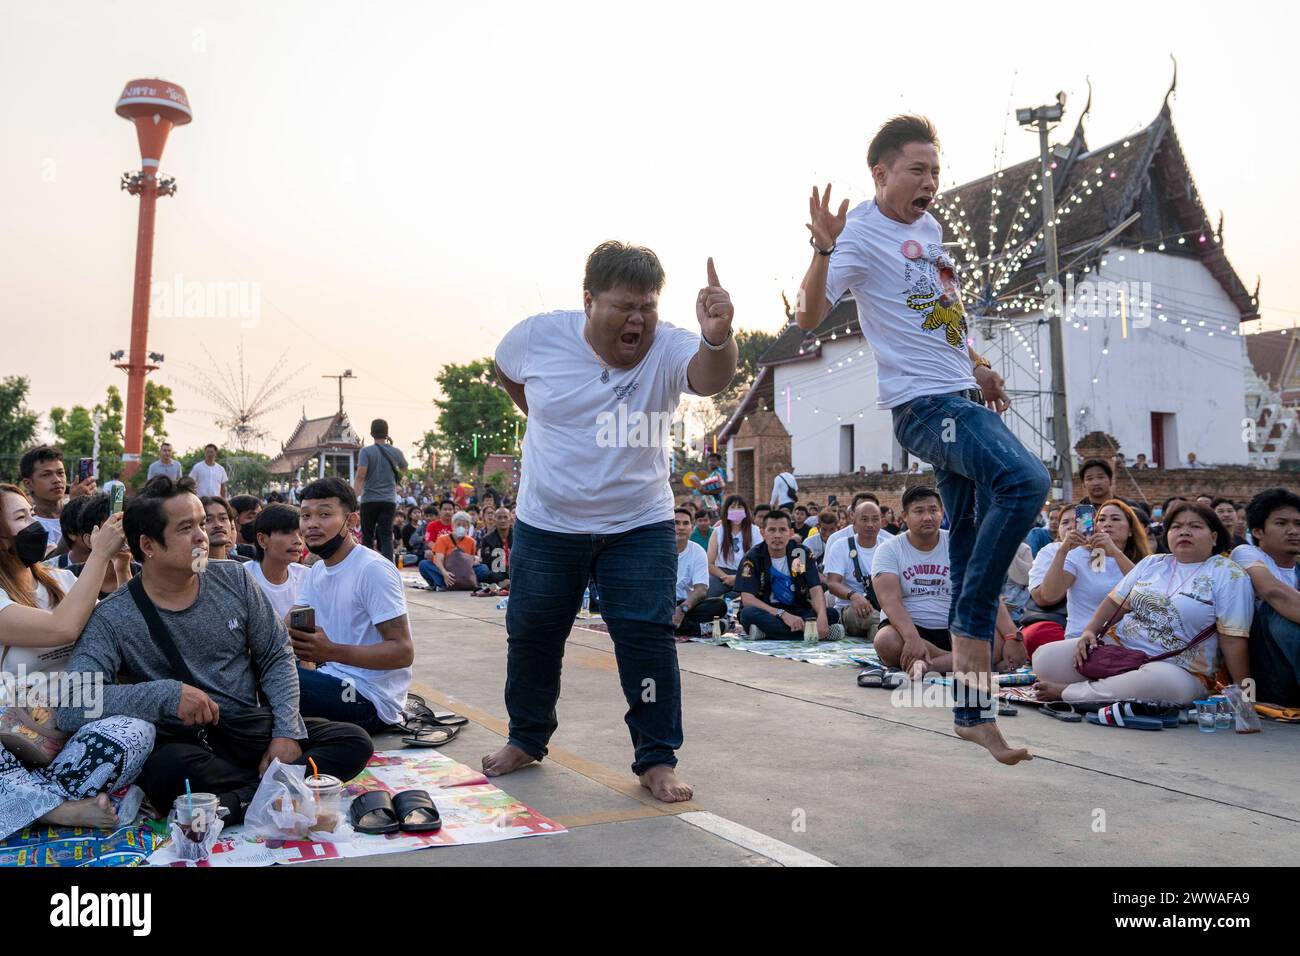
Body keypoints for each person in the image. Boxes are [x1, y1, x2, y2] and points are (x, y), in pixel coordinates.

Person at [796, 114, 1048, 763]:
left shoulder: (931, 230)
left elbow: (945, 315)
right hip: (922, 408)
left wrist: (981, 365)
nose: (931, 182)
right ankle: (974, 618)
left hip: (960, 394)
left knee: (965, 539)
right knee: (1026, 480)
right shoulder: (856, 234)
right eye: (918, 170)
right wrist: (822, 251)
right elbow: (807, 316)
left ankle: (971, 714)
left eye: (936, 171)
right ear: (881, 174)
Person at [486, 241, 739, 803]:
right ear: (588, 302)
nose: (637, 320)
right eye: (624, 307)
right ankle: (526, 738)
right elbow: (505, 371)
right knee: (532, 633)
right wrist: (545, 414)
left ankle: (656, 759)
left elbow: (711, 376)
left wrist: (718, 335)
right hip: (548, 523)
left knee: (646, 639)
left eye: (647, 307)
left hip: (638, 523)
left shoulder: (670, 345)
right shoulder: (536, 338)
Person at [56, 476, 373, 825]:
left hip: (252, 730)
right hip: (190, 746)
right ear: (148, 544)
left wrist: (286, 731)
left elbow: (276, 654)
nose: (201, 537)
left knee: (352, 741)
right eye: (185, 528)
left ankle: (238, 802)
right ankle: (274, 792)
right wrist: (165, 695)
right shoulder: (113, 616)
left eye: (202, 524)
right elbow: (73, 703)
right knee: (166, 771)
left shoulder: (233, 579)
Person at [0, 484, 155, 837]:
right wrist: (98, 556)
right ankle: (58, 809)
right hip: (9, 734)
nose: (35, 524)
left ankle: (32, 802)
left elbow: (119, 628)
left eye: (33, 514)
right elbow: (62, 628)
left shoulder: (62, 578)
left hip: (69, 726)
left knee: (137, 731)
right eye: (22, 517)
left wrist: (121, 566)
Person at [1033, 503, 1252, 706]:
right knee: (1045, 659)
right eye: (1177, 527)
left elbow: (1233, 641)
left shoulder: (1228, 574)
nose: (1184, 532)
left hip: (1177, 669)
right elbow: (1113, 601)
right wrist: (1089, 631)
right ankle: (1110, 689)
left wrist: (1246, 696)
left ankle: (1068, 693)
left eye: (1195, 526)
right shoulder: (1154, 563)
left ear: (1214, 537)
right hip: (1120, 651)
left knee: (1158, 681)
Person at [290, 478, 415, 734]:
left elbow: (402, 652)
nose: (312, 524)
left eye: (324, 514)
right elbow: (293, 624)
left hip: (365, 698)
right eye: (305, 515)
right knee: (256, 670)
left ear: (351, 521)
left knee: (270, 682)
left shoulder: (371, 570)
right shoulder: (317, 572)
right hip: (330, 679)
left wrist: (331, 651)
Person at [1025, 500, 1150, 661]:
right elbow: (1049, 595)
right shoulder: (1080, 555)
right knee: (1043, 659)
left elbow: (1146, 595)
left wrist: (1115, 552)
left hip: (1128, 644)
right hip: (1081, 642)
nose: (1107, 524)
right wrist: (1064, 550)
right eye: (1101, 519)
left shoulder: (1145, 562)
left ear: (1131, 530)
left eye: (1115, 519)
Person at [870, 487, 955, 677]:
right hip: (908, 628)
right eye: (919, 511)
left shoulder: (956, 543)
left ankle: (930, 665)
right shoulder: (889, 549)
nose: (927, 517)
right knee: (885, 641)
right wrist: (912, 638)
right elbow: (890, 601)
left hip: (954, 628)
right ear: (905, 516)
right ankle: (959, 661)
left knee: (995, 642)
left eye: (933, 510)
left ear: (942, 512)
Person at [1232, 489, 1300, 706]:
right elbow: (1273, 592)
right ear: (1258, 532)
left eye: (1299, 524)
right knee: (1279, 614)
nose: (1293, 531)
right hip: (1266, 669)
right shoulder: (1247, 554)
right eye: (1281, 524)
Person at [736, 510, 844, 640]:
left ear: (791, 533)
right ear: (763, 533)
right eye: (771, 530)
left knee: (830, 614)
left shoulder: (799, 553)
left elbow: (815, 588)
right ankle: (810, 632)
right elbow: (747, 599)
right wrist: (783, 615)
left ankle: (766, 633)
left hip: (797, 610)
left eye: (782, 530)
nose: (777, 535)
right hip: (769, 611)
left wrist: (821, 616)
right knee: (747, 614)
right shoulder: (754, 557)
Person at [823, 499, 885, 640]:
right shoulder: (841, 545)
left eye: (875, 519)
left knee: (878, 626)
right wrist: (854, 596)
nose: (870, 524)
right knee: (878, 620)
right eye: (864, 519)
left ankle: (882, 641)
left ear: (881, 521)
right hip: (850, 609)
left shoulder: (888, 546)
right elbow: (832, 583)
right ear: (854, 521)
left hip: (883, 608)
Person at [245, 502, 310, 622]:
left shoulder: (308, 576)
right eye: (287, 532)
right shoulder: (243, 577)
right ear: (262, 540)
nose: (298, 541)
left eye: (301, 534)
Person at [354, 419, 407, 561]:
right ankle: (389, 568)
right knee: (386, 535)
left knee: (368, 535)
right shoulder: (396, 452)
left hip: (369, 499)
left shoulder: (366, 451)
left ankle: (366, 565)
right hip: (388, 499)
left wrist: (354, 496)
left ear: (371, 433)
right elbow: (404, 468)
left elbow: (360, 475)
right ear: (387, 433)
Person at [672, 507, 725, 635]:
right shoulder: (658, 550)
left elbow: (701, 591)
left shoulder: (698, 551)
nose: (681, 527)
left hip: (687, 605)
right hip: (662, 603)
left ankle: (672, 626)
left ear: (691, 527)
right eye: (676, 523)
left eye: (685, 523)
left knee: (719, 605)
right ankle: (699, 629)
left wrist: (682, 609)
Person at [20, 445, 81, 555]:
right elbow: (51, 563)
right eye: (46, 475)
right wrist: (75, 507)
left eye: (60, 473)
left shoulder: (84, 511)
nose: (57, 480)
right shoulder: (28, 525)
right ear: (28, 484)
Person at [706, 495, 763, 598]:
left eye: (740, 507)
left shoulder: (754, 531)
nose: (736, 510)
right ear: (726, 511)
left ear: (745, 510)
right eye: (732, 507)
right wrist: (725, 577)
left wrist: (737, 578)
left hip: (747, 573)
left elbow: (759, 561)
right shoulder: (718, 532)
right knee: (705, 591)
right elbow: (709, 563)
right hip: (722, 574)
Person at [418, 510, 488, 590]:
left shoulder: (471, 541)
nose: (461, 527)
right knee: (424, 564)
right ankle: (448, 583)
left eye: (464, 525)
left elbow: (470, 561)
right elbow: (438, 560)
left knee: (483, 568)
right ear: (452, 526)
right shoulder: (442, 539)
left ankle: (446, 584)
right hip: (446, 571)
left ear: (468, 528)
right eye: (458, 524)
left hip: (464, 572)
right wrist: (444, 573)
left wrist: (475, 561)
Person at [201, 495, 251, 563]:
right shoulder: (192, 569)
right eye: (208, 520)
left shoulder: (245, 566)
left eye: (223, 518)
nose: (218, 525)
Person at [478, 507, 513, 588]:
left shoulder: (518, 537)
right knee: (485, 572)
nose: (503, 520)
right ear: (494, 521)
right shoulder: (487, 539)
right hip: (497, 572)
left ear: (510, 520)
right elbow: (487, 563)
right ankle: (502, 583)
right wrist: (500, 579)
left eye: (505, 517)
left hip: (515, 571)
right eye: (499, 518)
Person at [228, 494, 262, 560]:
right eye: (250, 517)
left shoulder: (264, 553)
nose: (257, 522)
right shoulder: (226, 553)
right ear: (234, 520)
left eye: (260, 517)